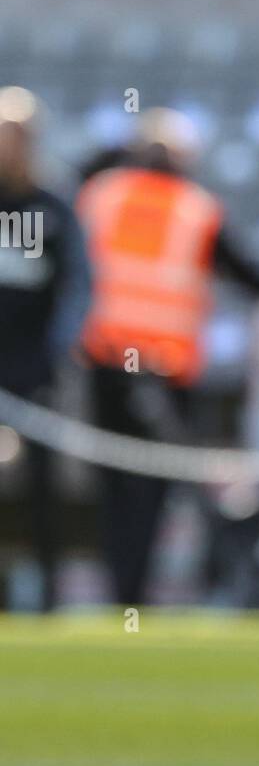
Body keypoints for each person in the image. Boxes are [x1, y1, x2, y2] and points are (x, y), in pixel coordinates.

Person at [76, 110, 259, 605]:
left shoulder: (100, 193)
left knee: (115, 484)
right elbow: (251, 277)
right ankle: (135, 594)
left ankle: (123, 592)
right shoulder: (196, 208)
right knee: (154, 486)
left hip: (107, 365)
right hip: (167, 371)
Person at [0, 87, 92, 610]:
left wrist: (55, 351)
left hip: (34, 371)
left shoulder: (54, 205)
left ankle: (47, 593)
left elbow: (77, 285)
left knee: (42, 484)